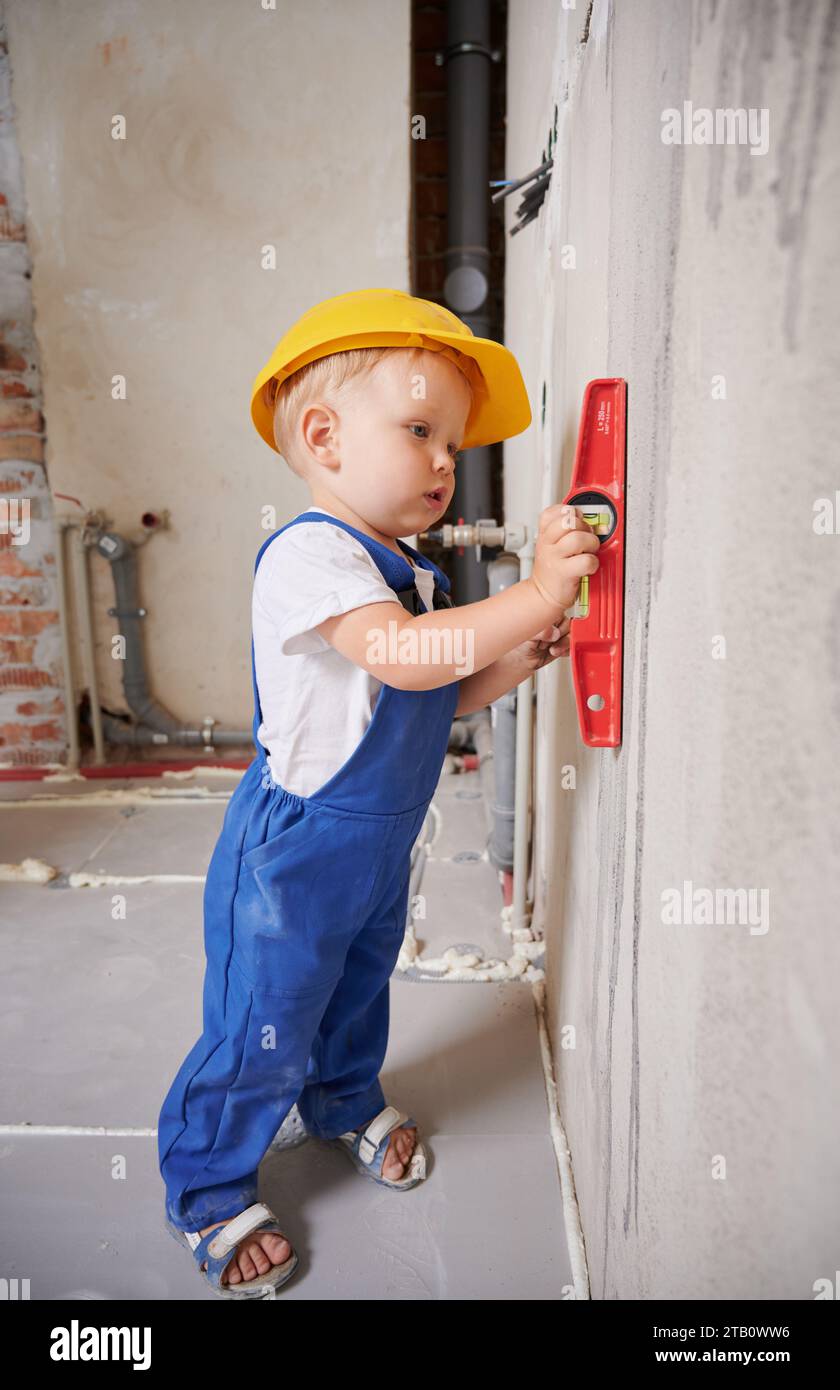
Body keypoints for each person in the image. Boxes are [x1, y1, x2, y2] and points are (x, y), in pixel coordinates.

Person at [157, 288, 600, 1297]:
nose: (447, 459)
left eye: (451, 440)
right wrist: (532, 592)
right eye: (420, 430)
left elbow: (434, 693)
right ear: (323, 436)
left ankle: (345, 1098)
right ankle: (210, 1187)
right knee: (264, 1018)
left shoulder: (418, 579)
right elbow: (401, 660)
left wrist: (516, 659)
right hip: (294, 851)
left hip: (379, 843)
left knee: (355, 992)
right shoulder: (312, 556)